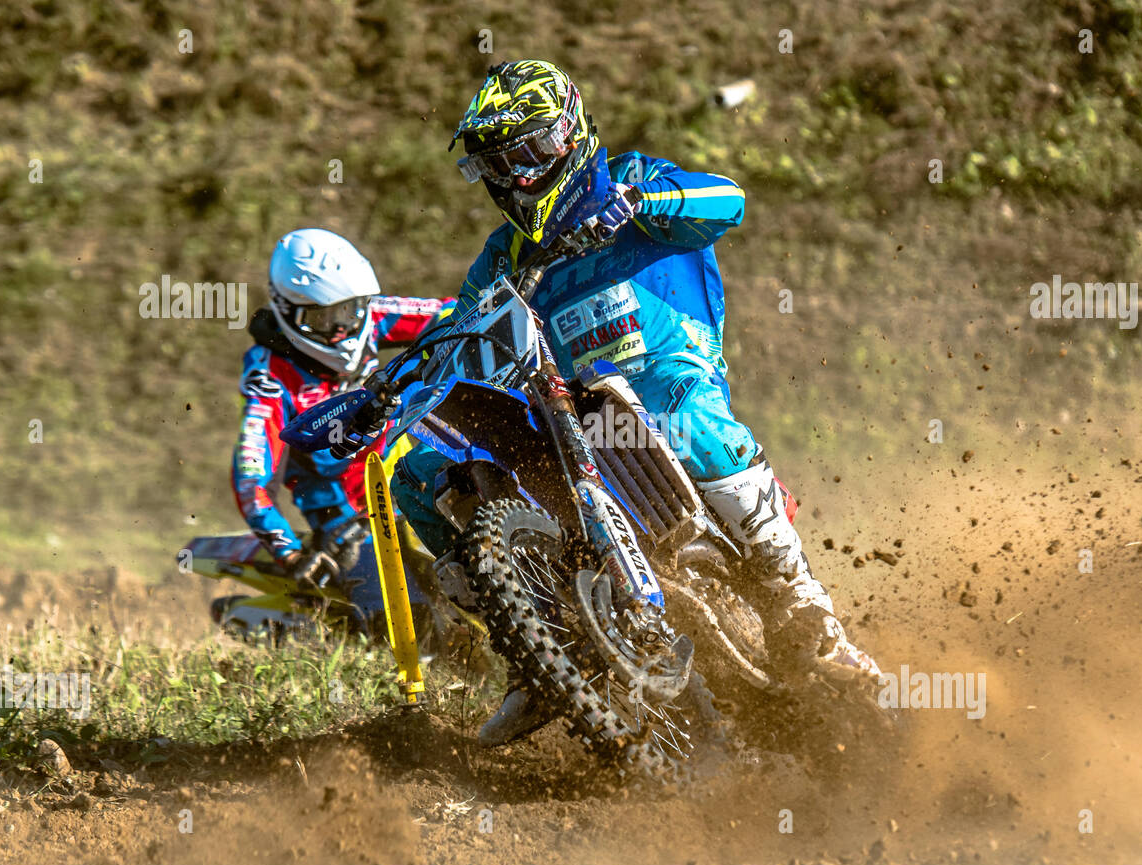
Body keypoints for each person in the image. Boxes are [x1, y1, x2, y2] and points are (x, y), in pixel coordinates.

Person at [388, 60, 881, 743]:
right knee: (416, 475)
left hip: (665, 381)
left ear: (570, 131)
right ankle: (537, 651)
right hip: (563, 419)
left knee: (688, 420)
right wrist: (389, 387)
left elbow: (729, 200)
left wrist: (643, 204)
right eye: (498, 164)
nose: (519, 176)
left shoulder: (633, 180)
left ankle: (803, 608)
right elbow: (462, 325)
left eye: (530, 151)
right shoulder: (501, 258)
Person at [232, 227, 454, 610]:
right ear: (289, 312)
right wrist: (290, 554)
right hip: (347, 518)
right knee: (407, 614)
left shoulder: (369, 315)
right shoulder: (269, 381)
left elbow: (452, 312)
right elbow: (251, 482)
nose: (342, 328)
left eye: (349, 310)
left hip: (405, 465)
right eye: (324, 318)